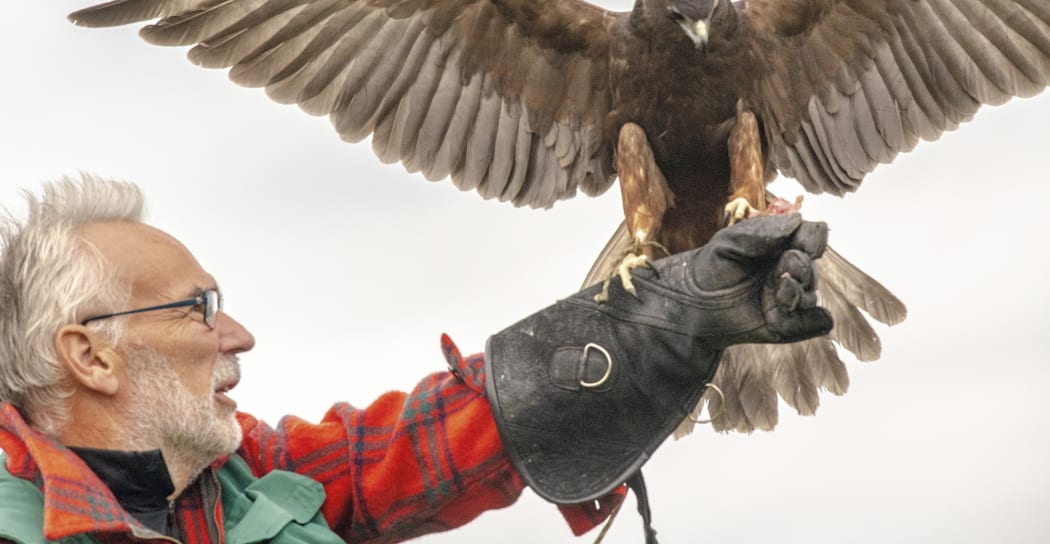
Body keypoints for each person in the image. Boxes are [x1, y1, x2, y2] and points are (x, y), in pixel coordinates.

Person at [0, 174, 832, 544]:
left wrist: (665, 321)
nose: (239, 336)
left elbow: (435, 440)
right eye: (200, 309)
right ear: (91, 358)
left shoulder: (252, 479)